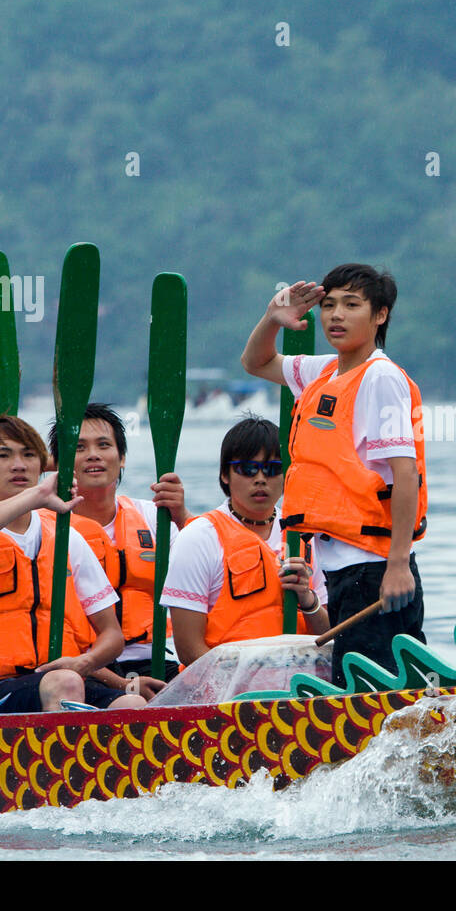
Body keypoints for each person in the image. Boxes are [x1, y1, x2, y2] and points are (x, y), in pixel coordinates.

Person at [242, 264, 428, 686]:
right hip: (344, 571)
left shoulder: (380, 377)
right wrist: (272, 319)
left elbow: (406, 474)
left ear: (380, 315)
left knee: (377, 697)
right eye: (328, 306)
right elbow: (256, 362)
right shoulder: (324, 371)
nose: (336, 315)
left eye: (351, 305)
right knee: (362, 693)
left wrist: (398, 565)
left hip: (375, 568)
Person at [0, 416, 145, 714]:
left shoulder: (65, 537)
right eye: (3, 455)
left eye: (28, 455)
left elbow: (111, 635)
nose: (18, 465)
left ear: (41, 466)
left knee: (133, 703)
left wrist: (83, 662)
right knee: (64, 684)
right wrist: (36, 496)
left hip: (63, 677)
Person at [161, 417, 328, 665]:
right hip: (227, 690)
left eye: (272, 469)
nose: (260, 479)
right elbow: (188, 649)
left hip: (301, 684)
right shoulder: (198, 538)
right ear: (225, 475)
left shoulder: (306, 533)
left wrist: (308, 598)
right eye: (248, 469)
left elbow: (331, 635)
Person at [50, 402, 188, 688]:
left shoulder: (155, 518)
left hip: (158, 657)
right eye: (79, 448)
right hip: (80, 665)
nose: (93, 456)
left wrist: (183, 518)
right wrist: (121, 684)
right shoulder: (46, 528)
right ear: (58, 461)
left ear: (122, 457)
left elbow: (206, 574)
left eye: (104, 445)